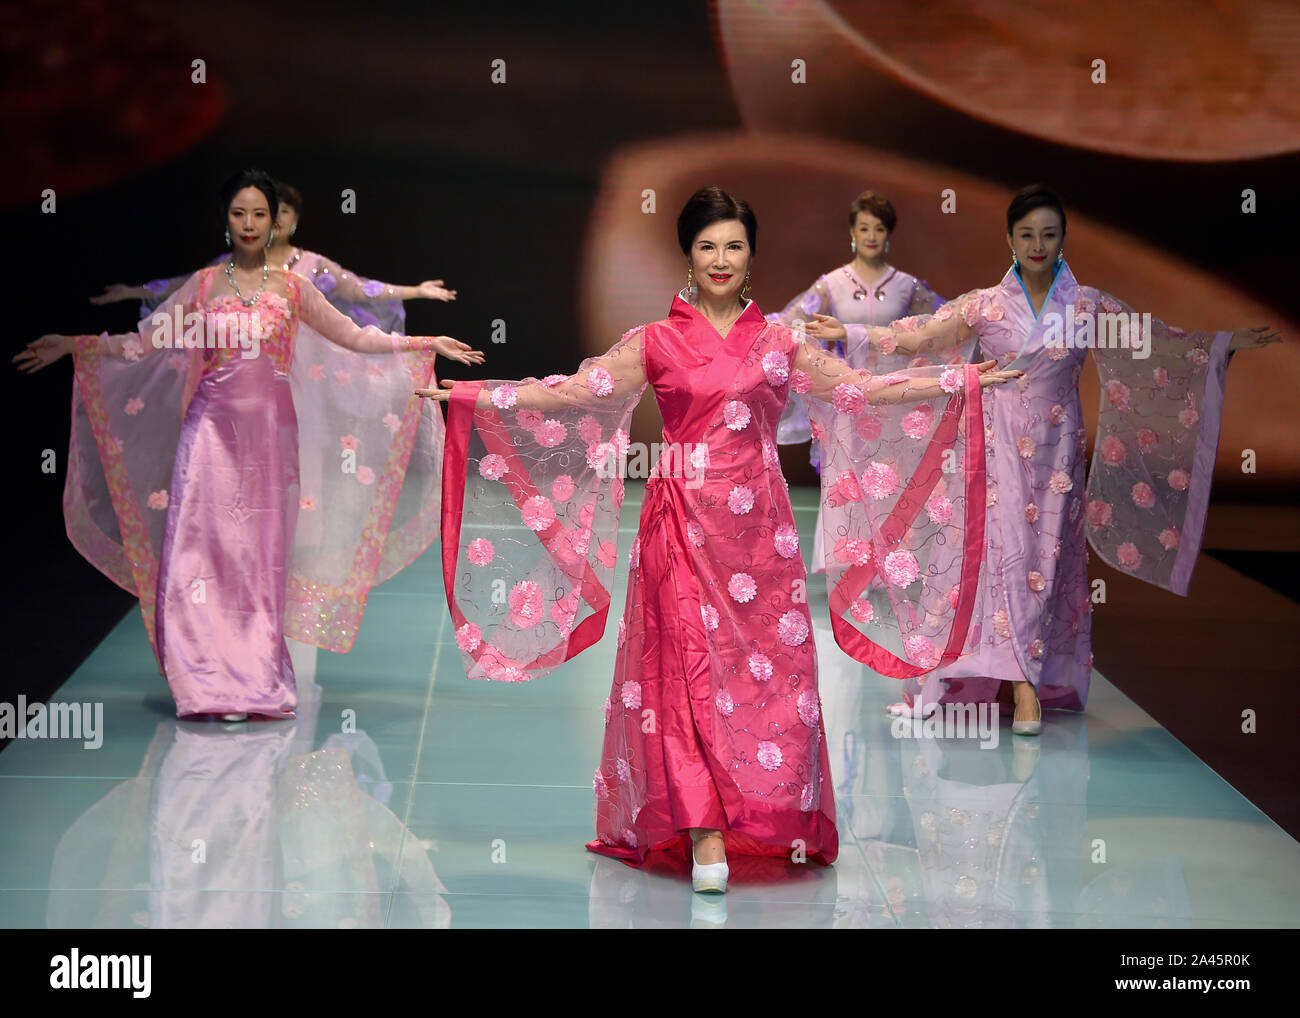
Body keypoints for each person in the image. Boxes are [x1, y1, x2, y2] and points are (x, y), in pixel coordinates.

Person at [420, 186, 1018, 893]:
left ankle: (753, 815)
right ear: (689, 254)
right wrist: (468, 397)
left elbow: (856, 391)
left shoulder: (779, 341)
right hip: (677, 525)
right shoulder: (657, 340)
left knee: (768, 678)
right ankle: (703, 832)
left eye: (734, 245)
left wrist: (957, 382)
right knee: (682, 676)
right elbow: (574, 393)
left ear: (751, 253)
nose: (722, 259)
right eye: (708, 246)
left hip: (760, 537)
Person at [805, 184, 1281, 735]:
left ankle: (1022, 674)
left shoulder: (1085, 306)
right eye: (1026, 234)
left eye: (1048, 234)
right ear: (1009, 239)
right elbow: (920, 336)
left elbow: (1147, 341)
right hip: (993, 446)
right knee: (1002, 554)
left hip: (1057, 458)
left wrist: (1219, 344)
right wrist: (855, 331)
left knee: (1044, 565)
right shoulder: (987, 304)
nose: (1037, 244)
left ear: (1062, 240)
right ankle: (1022, 687)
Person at [15, 169, 485, 722]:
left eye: (259, 214)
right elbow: (145, 342)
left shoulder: (294, 288)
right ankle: (202, 678)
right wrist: (75, 344)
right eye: (239, 213)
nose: (249, 224)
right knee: (200, 554)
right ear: (226, 221)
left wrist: (427, 342)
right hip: (209, 434)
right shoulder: (204, 286)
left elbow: (356, 336)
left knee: (258, 558)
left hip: (272, 440)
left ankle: (254, 675)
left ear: (274, 221)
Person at [768, 190, 949, 572]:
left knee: (892, 479)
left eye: (878, 228)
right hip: (848, 397)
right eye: (863, 227)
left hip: (896, 397)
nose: (870, 235)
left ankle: (893, 567)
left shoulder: (907, 286)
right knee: (850, 478)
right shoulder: (831, 284)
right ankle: (850, 566)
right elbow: (792, 322)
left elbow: (939, 328)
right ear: (852, 232)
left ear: (888, 234)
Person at [89, 179, 456, 333]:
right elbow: (186, 285)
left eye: (285, 213)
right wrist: (133, 291)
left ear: (294, 221)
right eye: (269, 211)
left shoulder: (312, 264)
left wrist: (417, 290)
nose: (277, 219)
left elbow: (361, 290)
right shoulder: (230, 263)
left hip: (299, 364)